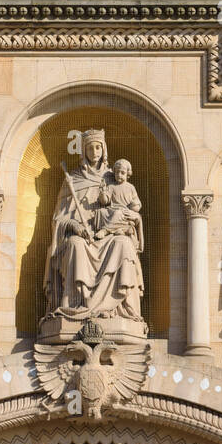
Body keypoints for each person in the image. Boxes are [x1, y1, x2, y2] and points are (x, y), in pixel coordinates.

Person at [43, 129, 145, 325]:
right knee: (75, 245)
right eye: (90, 148)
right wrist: (74, 225)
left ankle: (117, 306)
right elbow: (59, 218)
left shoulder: (113, 178)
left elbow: (127, 208)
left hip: (108, 235)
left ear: (104, 149)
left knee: (123, 244)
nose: (95, 152)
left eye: (98, 147)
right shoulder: (73, 180)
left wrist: (118, 224)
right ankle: (74, 303)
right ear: (83, 151)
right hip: (82, 235)